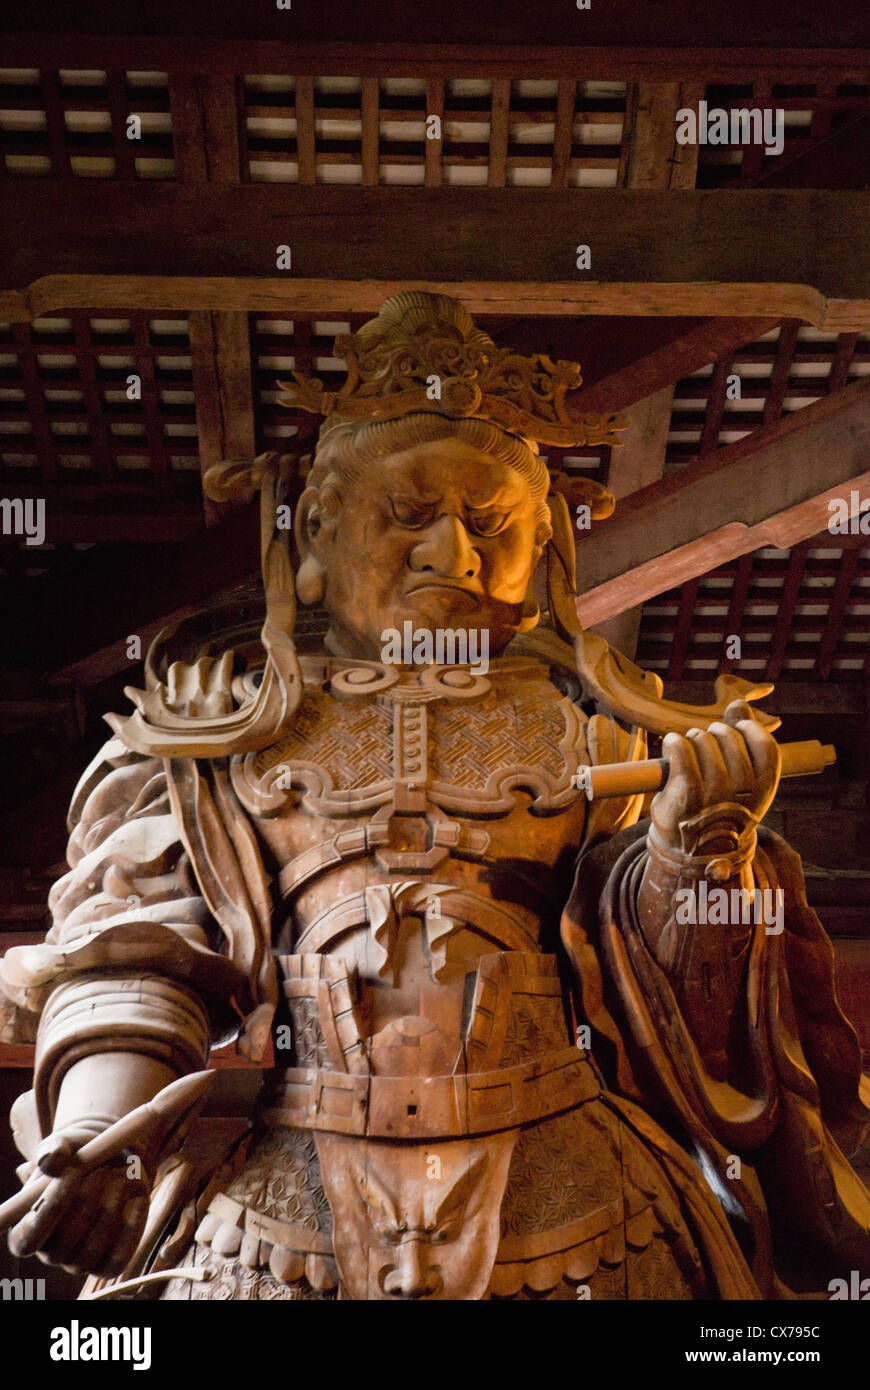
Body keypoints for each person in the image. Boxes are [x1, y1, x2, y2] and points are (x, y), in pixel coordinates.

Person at [2, 292, 867, 1299]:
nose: (450, 553)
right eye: (410, 512)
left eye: (490, 523)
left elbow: (676, 1010)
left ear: (544, 548)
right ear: (315, 534)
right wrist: (105, 1141)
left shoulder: (601, 728)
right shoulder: (216, 732)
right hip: (290, 1210)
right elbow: (135, 949)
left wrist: (701, 854)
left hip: (580, 1192)